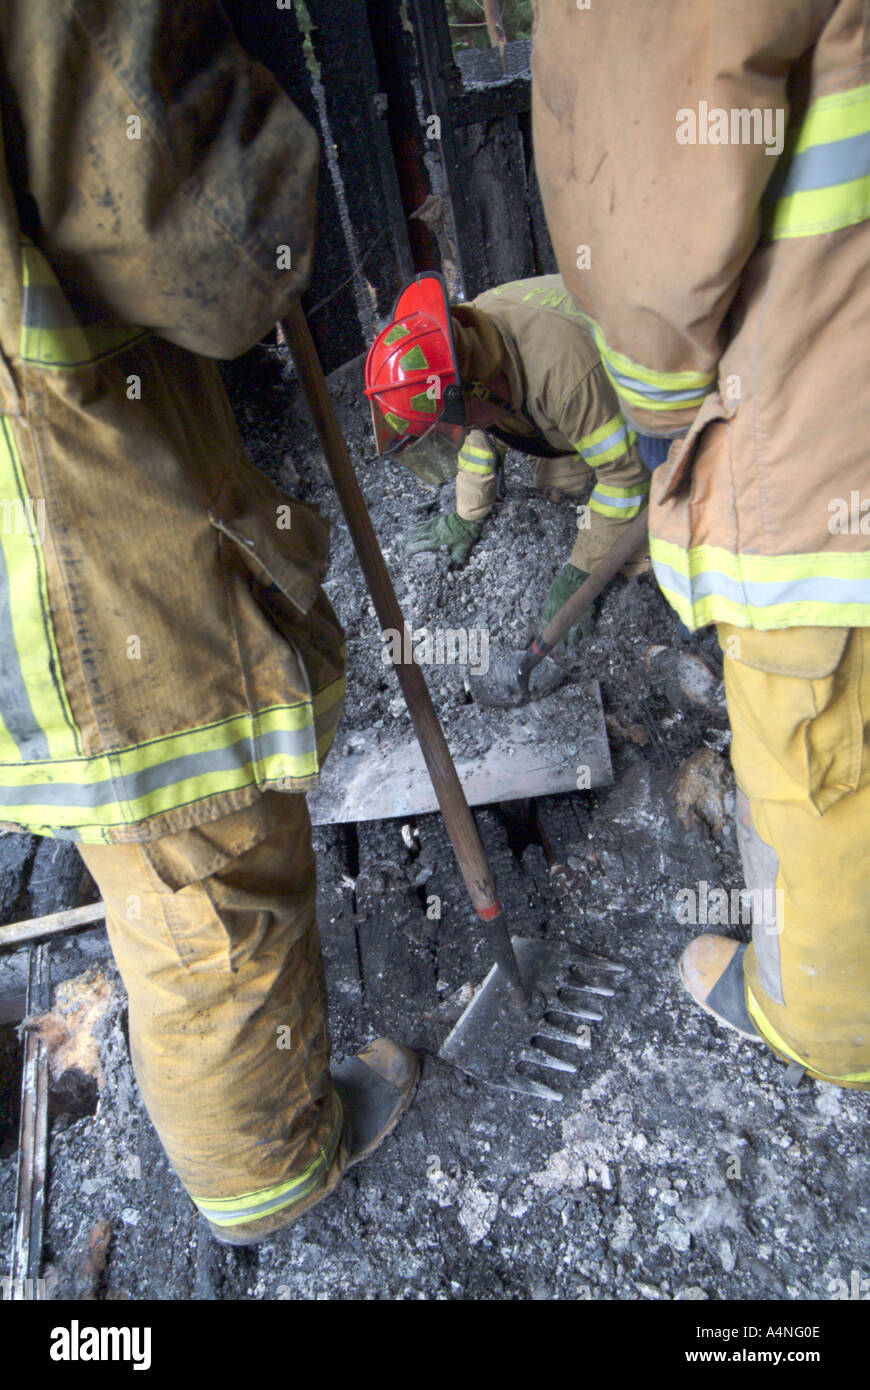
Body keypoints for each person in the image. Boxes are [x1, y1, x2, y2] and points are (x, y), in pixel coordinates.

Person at [0, 0, 417, 1247]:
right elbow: (226, 249)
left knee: (151, 870)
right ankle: (273, 1173)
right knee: (210, 884)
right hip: (79, 560)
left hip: (31, 576)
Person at [532, 0, 870, 1088]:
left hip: (825, 417)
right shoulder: (481, 387)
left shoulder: (541, 349)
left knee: (813, 755)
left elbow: (645, 206)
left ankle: (826, 1021)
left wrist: (669, 421)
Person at [365, 272, 651, 637]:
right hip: (560, 395)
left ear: (479, 391)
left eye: (461, 422)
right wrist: (467, 515)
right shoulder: (466, 341)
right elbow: (479, 432)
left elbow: (624, 475)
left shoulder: (569, 379)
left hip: (644, 384)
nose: (463, 432)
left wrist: (582, 573)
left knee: (637, 557)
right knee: (561, 488)